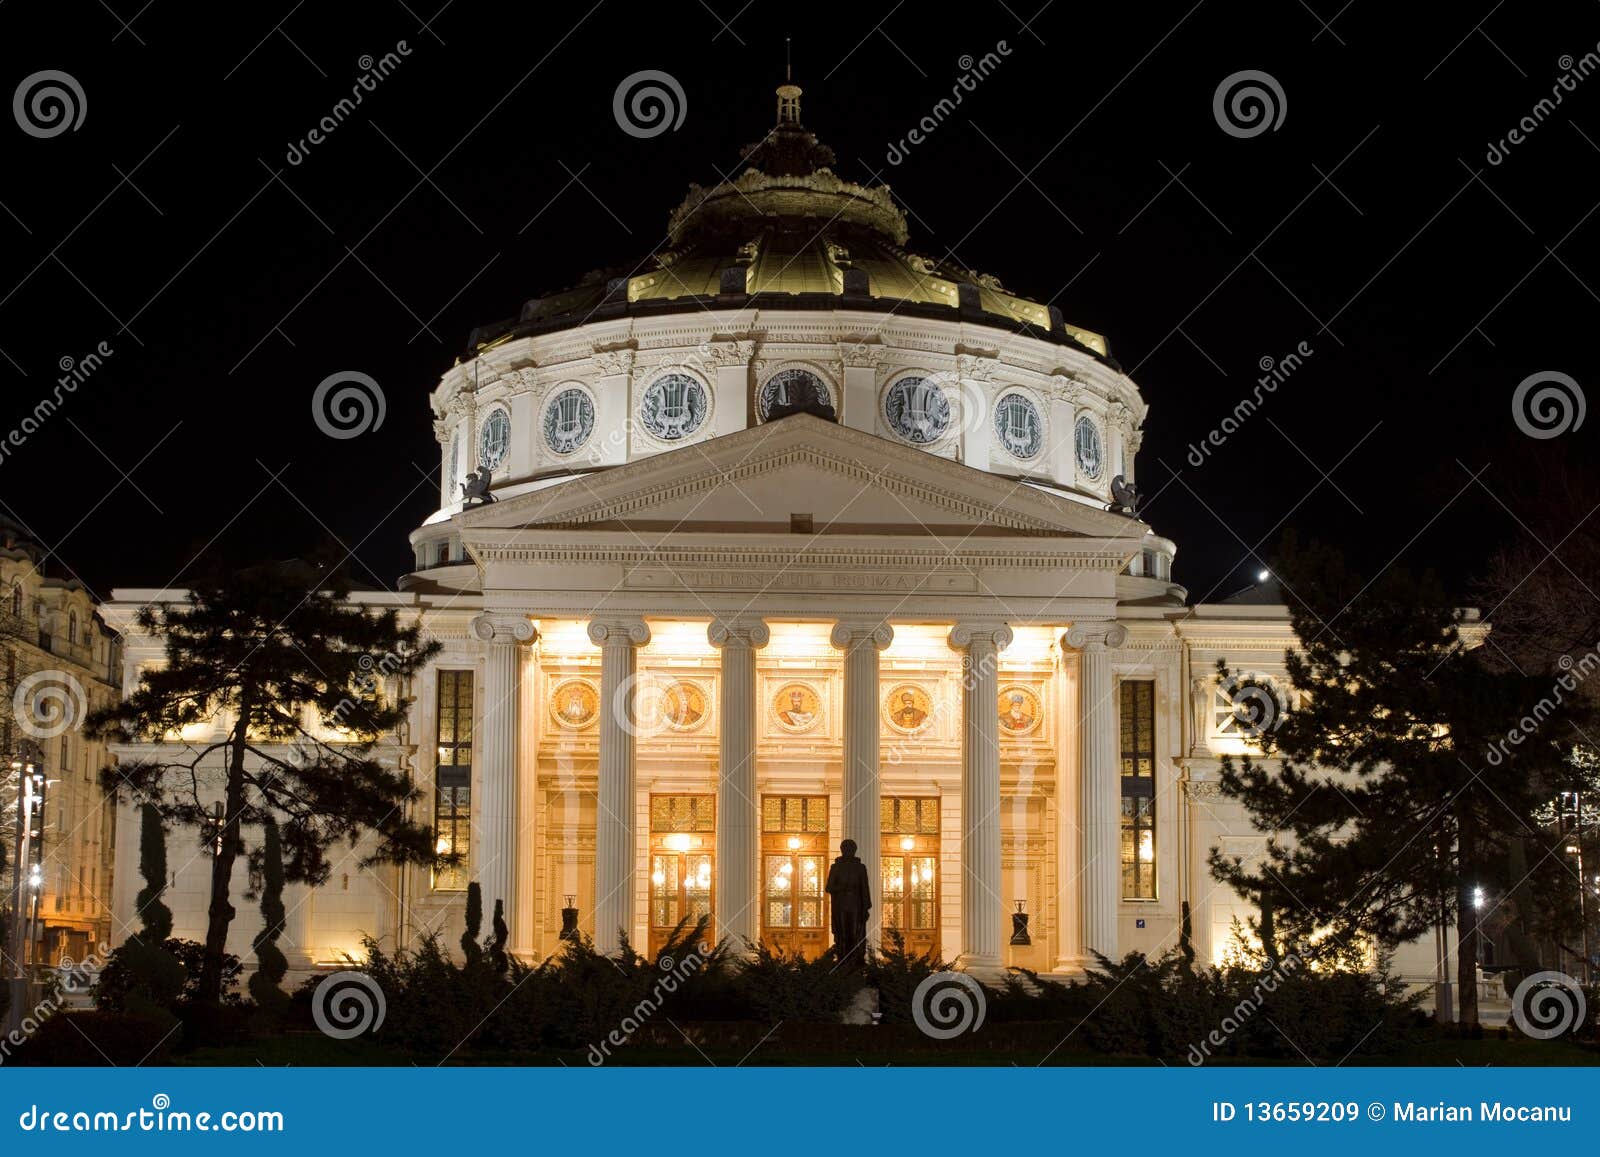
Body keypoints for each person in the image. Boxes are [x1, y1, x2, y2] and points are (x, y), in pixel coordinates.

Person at [825, 838, 872, 969]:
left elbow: (865, 888)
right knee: (842, 933)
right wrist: (841, 887)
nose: (849, 851)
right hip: (841, 906)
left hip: (856, 906)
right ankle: (842, 959)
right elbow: (829, 887)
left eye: (851, 849)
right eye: (847, 849)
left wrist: (866, 907)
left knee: (856, 933)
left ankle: (856, 960)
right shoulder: (836, 867)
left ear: (854, 851)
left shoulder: (860, 868)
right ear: (843, 850)